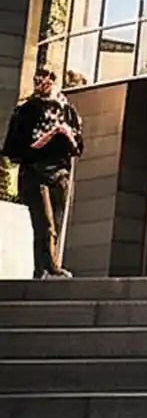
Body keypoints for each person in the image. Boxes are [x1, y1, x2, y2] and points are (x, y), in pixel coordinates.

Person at [2, 67, 82, 279]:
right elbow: (16, 149)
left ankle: (42, 270)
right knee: (44, 223)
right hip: (35, 173)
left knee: (54, 222)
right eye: (38, 80)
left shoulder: (68, 110)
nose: (43, 84)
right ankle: (50, 268)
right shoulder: (27, 109)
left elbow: (77, 148)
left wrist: (66, 134)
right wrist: (50, 135)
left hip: (60, 174)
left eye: (47, 79)